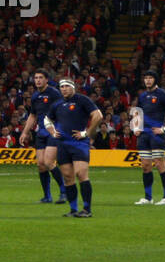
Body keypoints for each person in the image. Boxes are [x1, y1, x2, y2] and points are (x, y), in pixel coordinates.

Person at [44, 78, 103, 217]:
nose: (63, 89)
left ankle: (87, 210)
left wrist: (86, 133)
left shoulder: (82, 100)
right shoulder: (57, 104)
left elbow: (98, 115)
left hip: (79, 144)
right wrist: (52, 131)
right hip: (62, 144)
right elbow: (47, 119)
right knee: (68, 177)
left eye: (66, 86)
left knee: (81, 174)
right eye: (61, 86)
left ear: (73, 87)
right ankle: (73, 209)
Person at [131, 70, 165, 205]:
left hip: (156, 134)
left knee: (159, 163)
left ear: (155, 80)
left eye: (150, 78)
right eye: (146, 78)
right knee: (145, 166)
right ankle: (148, 198)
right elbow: (137, 112)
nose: (147, 80)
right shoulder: (142, 96)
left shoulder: (162, 94)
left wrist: (164, 129)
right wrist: (136, 127)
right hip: (144, 135)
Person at [18, 69, 66, 203]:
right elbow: (33, 115)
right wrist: (25, 132)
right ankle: (47, 196)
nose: (38, 80)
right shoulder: (34, 96)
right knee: (40, 164)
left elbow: (63, 110)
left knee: (49, 162)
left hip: (53, 131)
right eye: (36, 78)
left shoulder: (54, 94)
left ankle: (64, 191)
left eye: (40, 78)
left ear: (46, 80)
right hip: (41, 133)